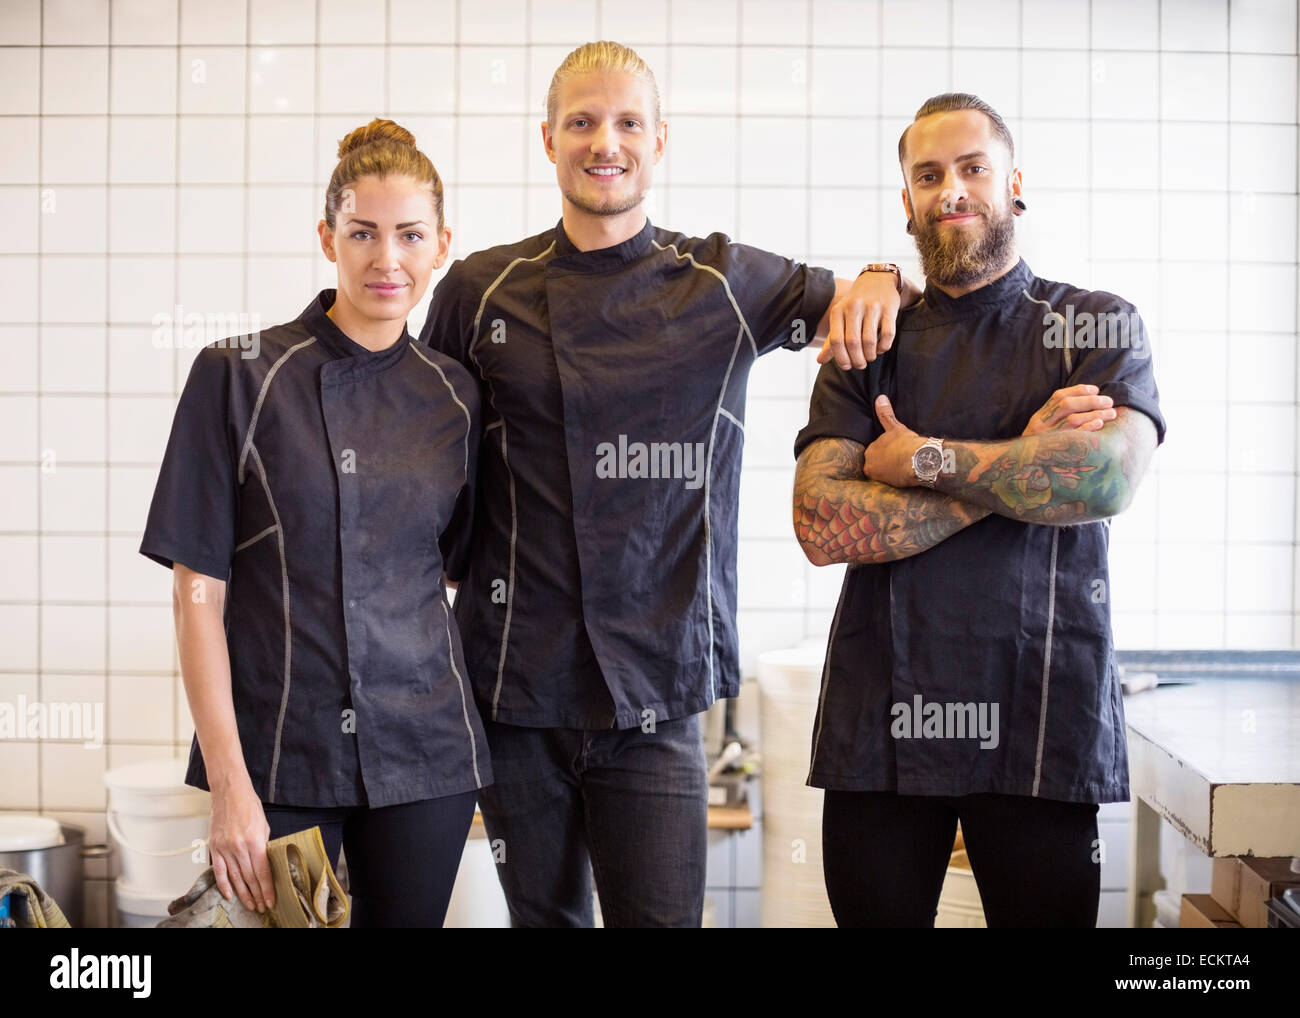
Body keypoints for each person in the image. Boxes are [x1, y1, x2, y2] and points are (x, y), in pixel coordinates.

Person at [418, 41, 913, 927]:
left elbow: (867, 308)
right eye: (582, 121)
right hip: (511, 689)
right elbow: (432, 456)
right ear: (547, 138)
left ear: (659, 140)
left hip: (657, 693)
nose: (604, 140)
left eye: (626, 122)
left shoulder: (722, 282)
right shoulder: (478, 290)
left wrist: (879, 269)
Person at [793, 93, 1165, 927]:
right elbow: (821, 523)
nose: (951, 190)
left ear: (1014, 184)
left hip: (1043, 719)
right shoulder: (868, 346)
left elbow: (1105, 482)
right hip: (879, 733)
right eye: (929, 175)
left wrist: (923, 462)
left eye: (972, 168)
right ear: (907, 202)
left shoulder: (1096, 326)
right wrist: (1025, 465)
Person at [140, 119, 490, 928]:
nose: (386, 259)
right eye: (362, 233)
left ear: (441, 245)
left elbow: (449, 573)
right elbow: (198, 593)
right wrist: (230, 785)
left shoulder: (455, 397)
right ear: (326, 236)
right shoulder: (239, 375)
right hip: (282, 758)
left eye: (409, 235)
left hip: (425, 758)